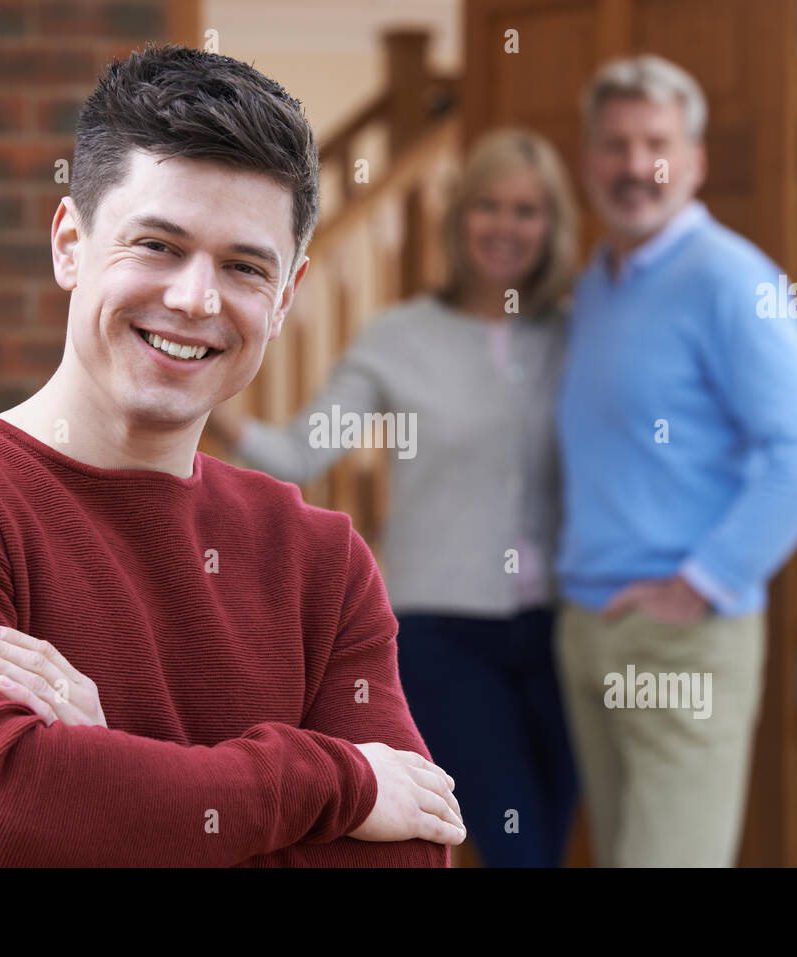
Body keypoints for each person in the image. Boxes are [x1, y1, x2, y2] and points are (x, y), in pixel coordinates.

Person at [0, 45, 464, 867]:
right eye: (157, 244)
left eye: (244, 266)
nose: (195, 298)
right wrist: (341, 785)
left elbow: (412, 856)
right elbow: (4, 819)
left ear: (285, 296)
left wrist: (108, 772)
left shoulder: (323, 564)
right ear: (69, 243)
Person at [207, 129, 582, 867]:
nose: (506, 227)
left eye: (527, 211)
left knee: (549, 839)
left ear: (552, 228)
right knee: (518, 848)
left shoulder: (578, 336)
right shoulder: (398, 337)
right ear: (459, 217)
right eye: (488, 206)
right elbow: (300, 451)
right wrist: (203, 397)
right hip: (444, 633)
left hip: (568, 631)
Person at [552, 54, 797, 867]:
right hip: (589, 628)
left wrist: (697, 584)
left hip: (681, 636)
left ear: (695, 160)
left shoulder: (730, 278)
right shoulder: (599, 283)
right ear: (587, 160)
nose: (634, 166)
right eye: (613, 145)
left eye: (656, 142)